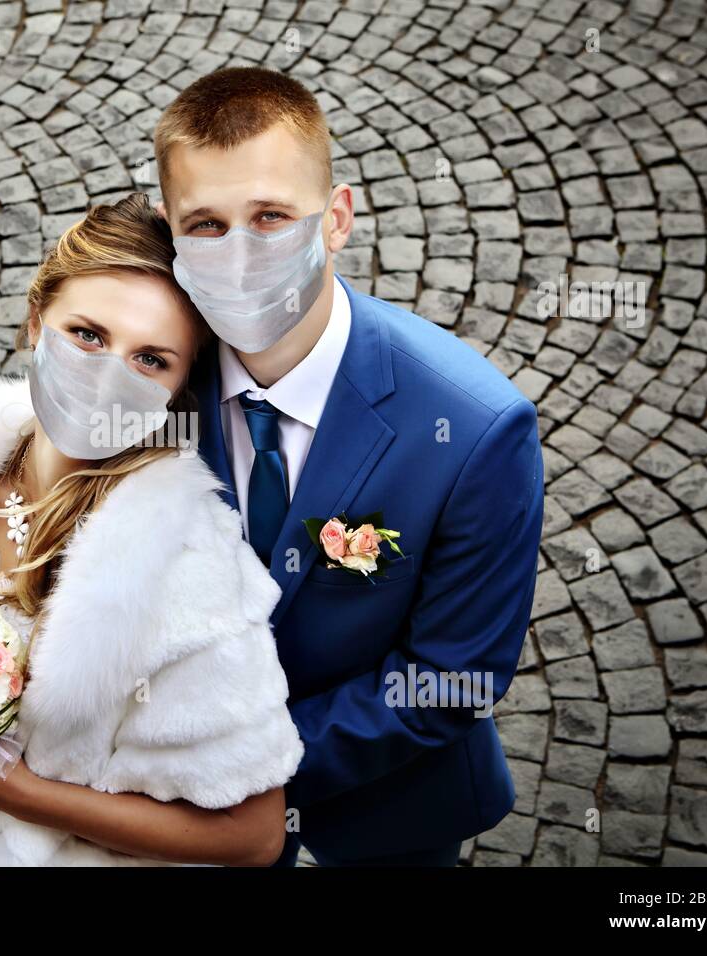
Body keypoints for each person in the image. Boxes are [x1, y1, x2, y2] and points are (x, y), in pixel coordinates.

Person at [154, 67, 546, 866]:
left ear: (336, 219)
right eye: (206, 225)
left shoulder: (476, 429)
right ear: (169, 232)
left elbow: (452, 676)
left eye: (270, 216)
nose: (240, 254)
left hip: (386, 814)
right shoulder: (148, 385)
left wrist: (233, 778)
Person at [0, 192, 304, 866]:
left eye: (151, 359)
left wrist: (4, 789)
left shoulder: (184, 563)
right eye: (88, 335)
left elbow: (253, 836)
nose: (104, 380)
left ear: (177, 387)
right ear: (36, 322)